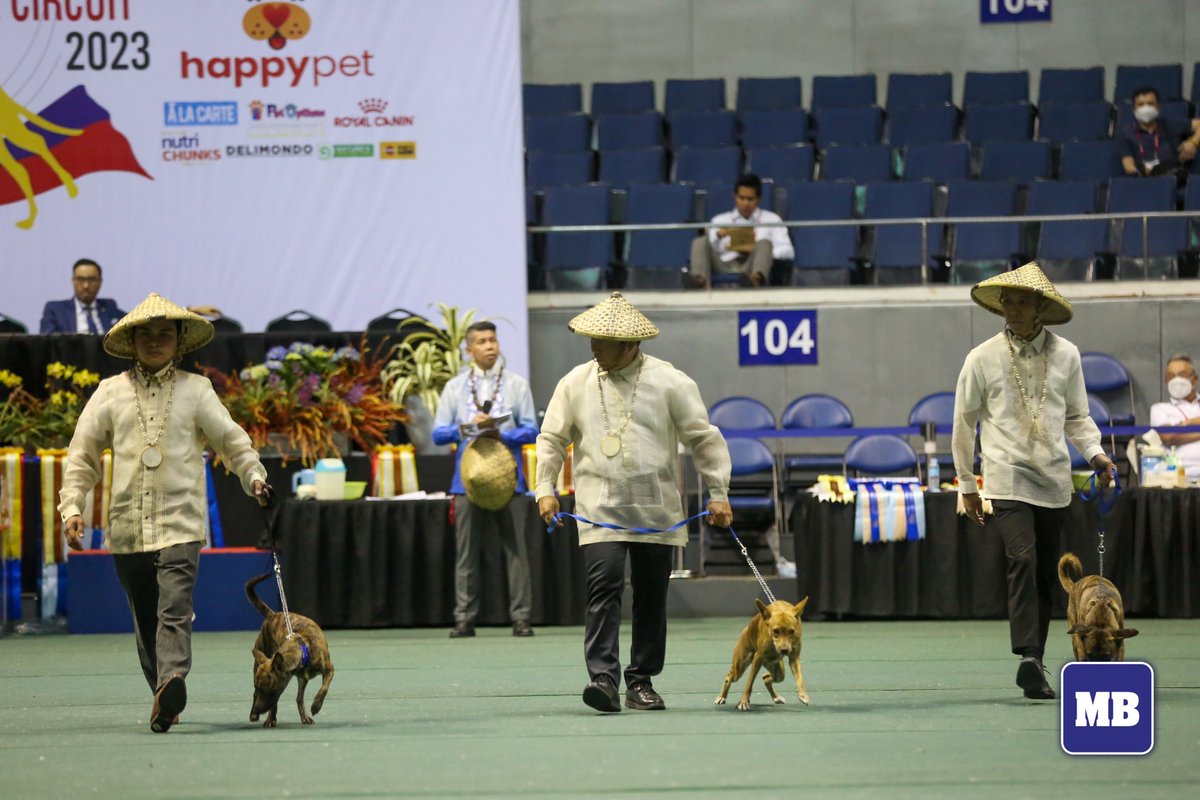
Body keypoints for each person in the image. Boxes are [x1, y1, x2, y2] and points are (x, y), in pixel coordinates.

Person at [58, 293, 272, 733]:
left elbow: (232, 441)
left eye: (164, 334)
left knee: (174, 609)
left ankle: (173, 678)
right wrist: (72, 506)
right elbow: (81, 455)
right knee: (145, 615)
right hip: (127, 526)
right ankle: (164, 696)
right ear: (132, 341)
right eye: (147, 334)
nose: (155, 342)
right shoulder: (109, 393)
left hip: (180, 523)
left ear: (178, 341)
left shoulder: (197, 391)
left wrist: (253, 476)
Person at [535, 292, 732, 712]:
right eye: (591, 339)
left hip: (656, 512)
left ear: (630, 345)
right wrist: (545, 489)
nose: (592, 347)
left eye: (602, 341)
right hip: (598, 509)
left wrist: (718, 493)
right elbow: (551, 439)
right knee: (603, 587)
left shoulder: (671, 381)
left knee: (650, 596)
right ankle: (602, 678)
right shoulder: (574, 382)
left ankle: (640, 681)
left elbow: (703, 438)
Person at [951, 262, 1115, 701]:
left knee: (1045, 574)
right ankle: (1027, 655)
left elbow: (1078, 417)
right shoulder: (981, 358)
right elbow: (964, 425)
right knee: (1021, 559)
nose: (1013, 310)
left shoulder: (1068, 355)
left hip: (1054, 480)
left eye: (1023, 302)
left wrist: (1096, 455)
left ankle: (1037, 663)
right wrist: (968, 484)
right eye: (1008, 301)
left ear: (1041, 307)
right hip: (1005, 478)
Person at [432, 321, 539, 638]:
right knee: (467, 553)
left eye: (493, 340)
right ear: (469, 350)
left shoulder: (516, 384)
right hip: (467, 480)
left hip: (510, 479)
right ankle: (464, 618)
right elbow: (438, 434)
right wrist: (468, 429)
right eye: (482, 341)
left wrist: (500, 433)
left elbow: (532, 429)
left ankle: (521, 618)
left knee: (517, 551)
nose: (490, 346)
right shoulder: (455, 387)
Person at [687, 174, 794, 288]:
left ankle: (755, 280)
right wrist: (718, 236)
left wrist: (759, 251)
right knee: (700, 242)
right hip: (723, 264)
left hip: (751, 265)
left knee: (764, 243)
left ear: (759, 199)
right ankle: (699, 281)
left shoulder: (772, 219)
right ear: (735, 197)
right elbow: (708, 251)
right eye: (741, 198)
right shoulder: (720, 220)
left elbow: (789, 252)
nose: (746, 203)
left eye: (750, 199)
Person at [1119, 86, 1200, 177]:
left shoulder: (1170, 124)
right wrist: (1144, 172)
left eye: (1150, 104)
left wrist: (1193, 142)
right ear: (1134, 109)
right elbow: (1128, 165)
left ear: (1158, 107)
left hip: (1172, 176)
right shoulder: (1126, 132)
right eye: (1141, 105)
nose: (1146, 108)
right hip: (1143, 179)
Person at [1148, 353, 1200, 480]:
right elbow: (1169, 437)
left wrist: (1186, 425)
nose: (1176, 380)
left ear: (1194, 379)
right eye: (1171, 376)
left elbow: (1176, 433)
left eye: (1182, 375)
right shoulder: (1159, 409)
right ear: (1166, 381)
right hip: (1180, 474)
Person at [39, 258, 125, 334]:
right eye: (81, 279)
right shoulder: (56, 310)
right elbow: (48, 343)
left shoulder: (109, 306)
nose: (86, 285)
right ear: (73, 281)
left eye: (92, 280)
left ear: (100, 281)